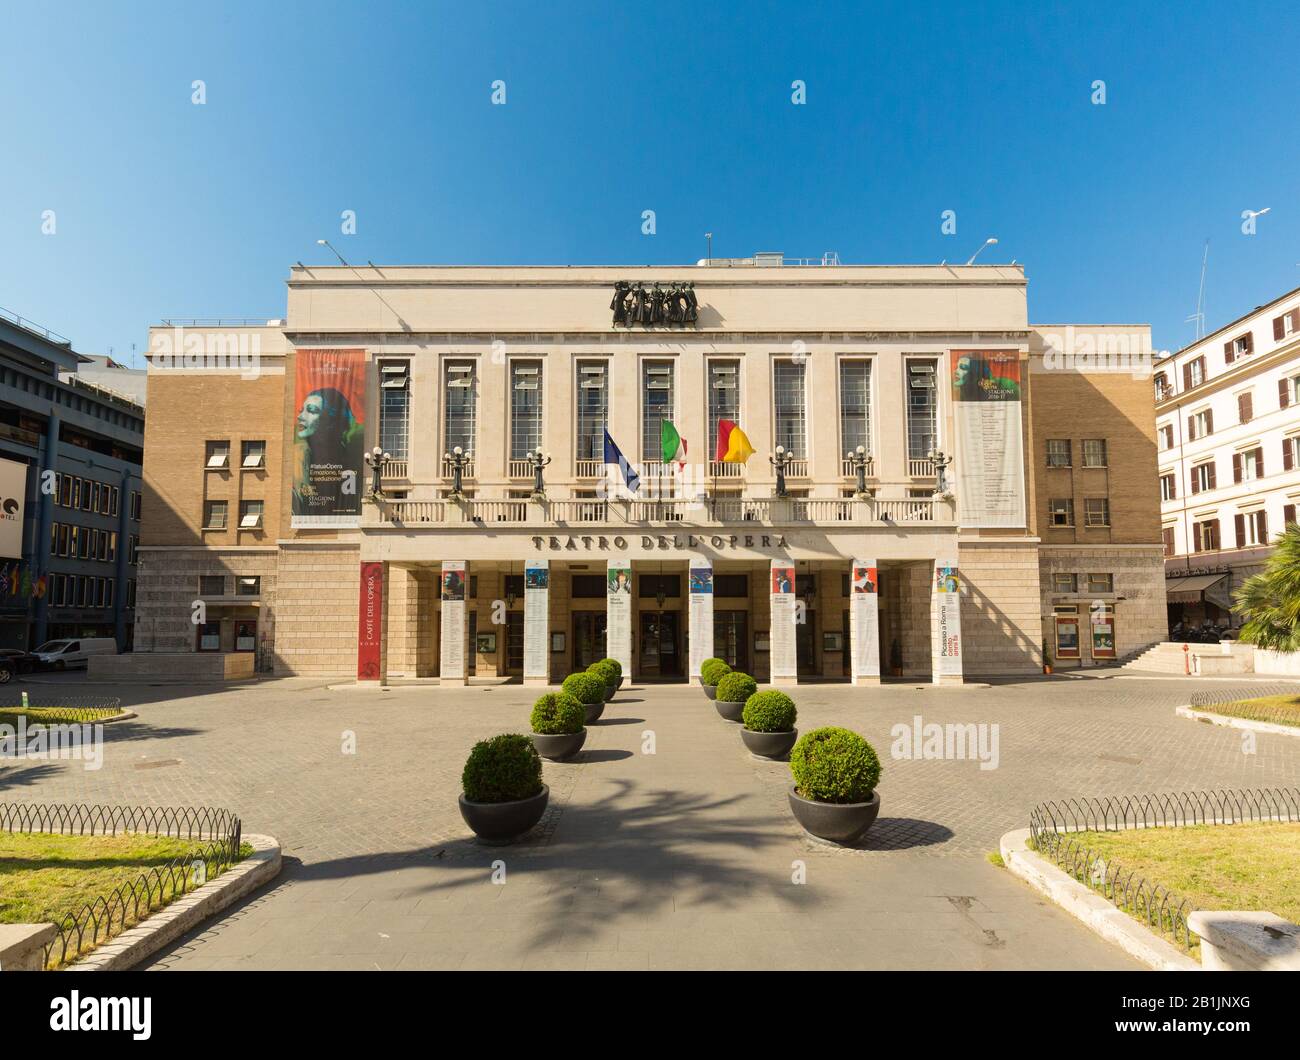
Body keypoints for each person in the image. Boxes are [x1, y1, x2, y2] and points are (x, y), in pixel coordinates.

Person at [292, 386, 364, 516]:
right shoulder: (297, 459)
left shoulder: (353, 460)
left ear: (332, 421)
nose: (300, 417)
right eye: (301, 410)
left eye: (311, 411)